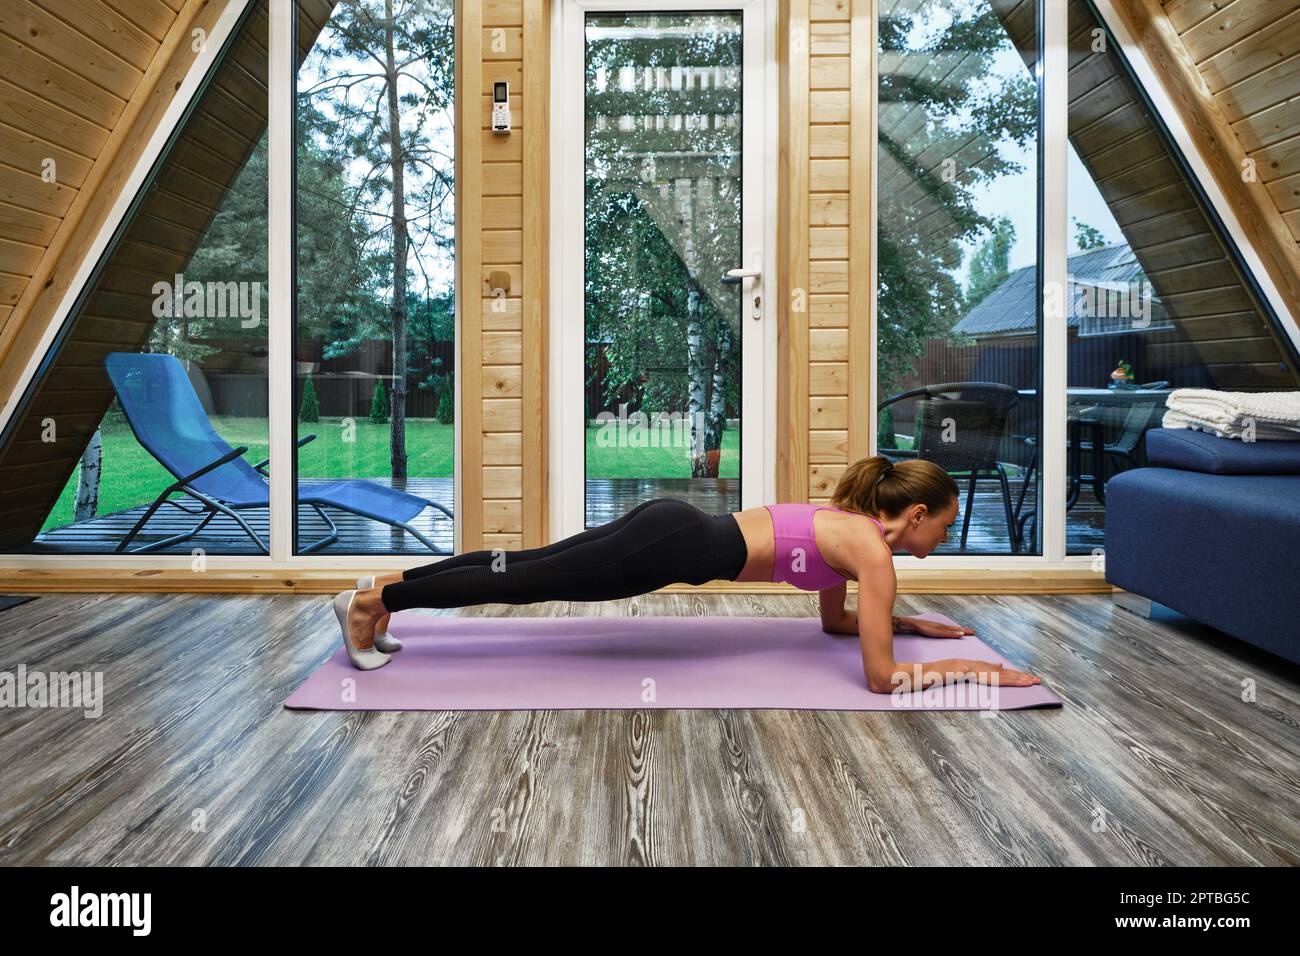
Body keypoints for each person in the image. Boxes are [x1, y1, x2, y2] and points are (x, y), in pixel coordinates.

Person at [332, 455, 1043, 692]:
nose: (945, 537)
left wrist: (910, 623)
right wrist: (980, 672)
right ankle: (377, 602)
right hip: (668, 548)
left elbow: (834, 624)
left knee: (522, 564)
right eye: (945, 524)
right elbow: (882, 681)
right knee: (525, 578)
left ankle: (385, 591)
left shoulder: (853, 532)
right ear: (915, 513)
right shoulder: (875, 555)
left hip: (672, 523)